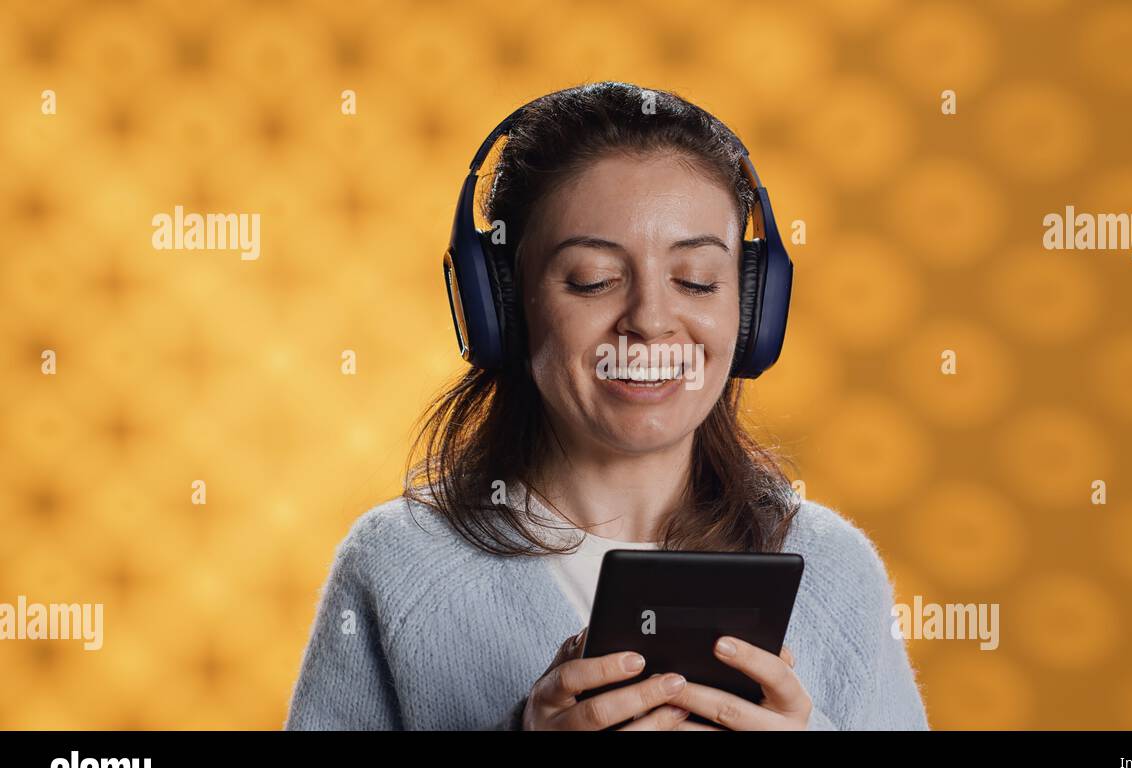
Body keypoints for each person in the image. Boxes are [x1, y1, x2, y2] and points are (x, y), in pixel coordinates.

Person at [285, 81, 928, 731]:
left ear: (751, 309)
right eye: (593, 280)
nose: (650, 321)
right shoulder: (396, 566)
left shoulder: (835, 569)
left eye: (697, 280)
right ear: (504, 308)